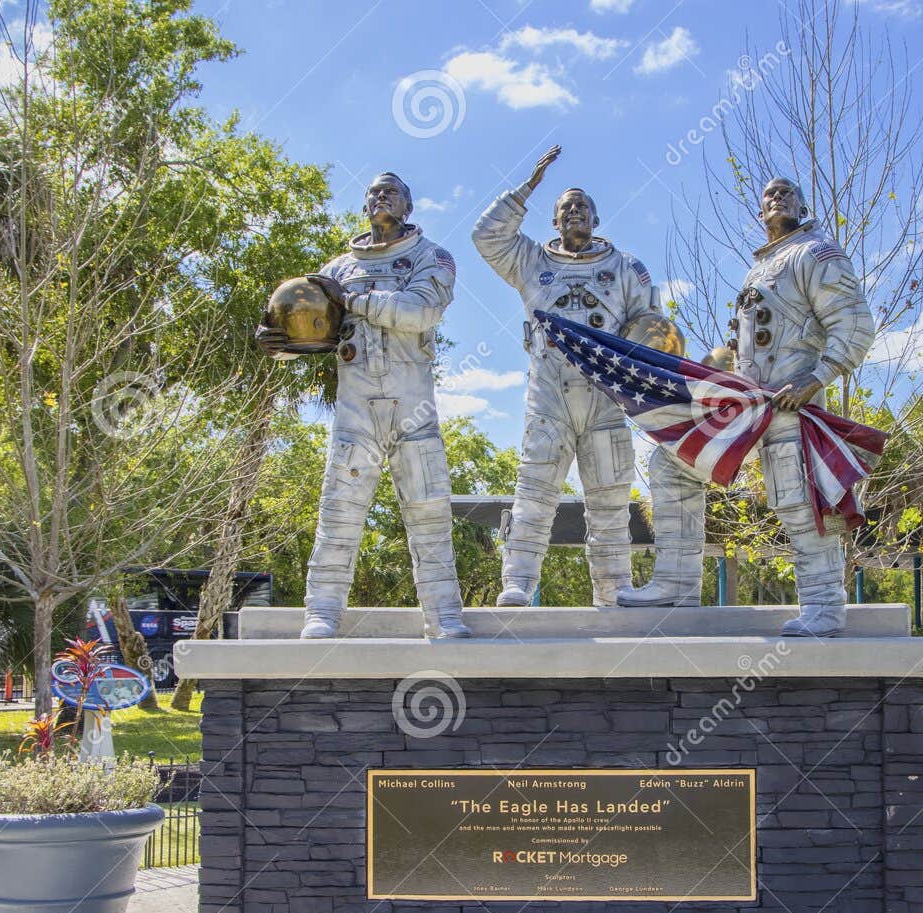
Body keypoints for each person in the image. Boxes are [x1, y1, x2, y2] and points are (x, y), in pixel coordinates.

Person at [620, 176, 875, 637]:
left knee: (800, 500)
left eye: (786, 193)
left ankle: (824, 607)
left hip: (791, 405)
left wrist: (816, 377)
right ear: (760, 212)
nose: (777, 199)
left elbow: (854, 323)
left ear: (802, 206)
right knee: (671, 462)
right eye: (769, 195)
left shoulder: (815, 253)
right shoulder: (758, 270)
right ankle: (676, 583)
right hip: (747, 405)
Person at [256, 172, 470, 640]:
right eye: (373, 191)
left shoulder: (430, 256)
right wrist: (279, 341)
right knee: (339, 514)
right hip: (357, 411)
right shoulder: (337, 268)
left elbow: (420, 311)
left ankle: (444, 616)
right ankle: (322, 611)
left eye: (391, 191)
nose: (380, 196)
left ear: (408, 206)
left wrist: (352, 299)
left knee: (429, 514)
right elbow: (315, 327)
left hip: (413, 411)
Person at [472, 145, 659, 607]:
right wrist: (527, 188)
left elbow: (651, 328)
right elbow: (485, 236)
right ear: (554, 221)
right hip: (549, 393)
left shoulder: (625, 267)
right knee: (534, 493)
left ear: (596, 218)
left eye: (582, 206)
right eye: (565, 207)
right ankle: (518, 582)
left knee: (610, 498)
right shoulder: (532, 262)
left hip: (605, 396)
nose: (574, 210)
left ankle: (614, 591)